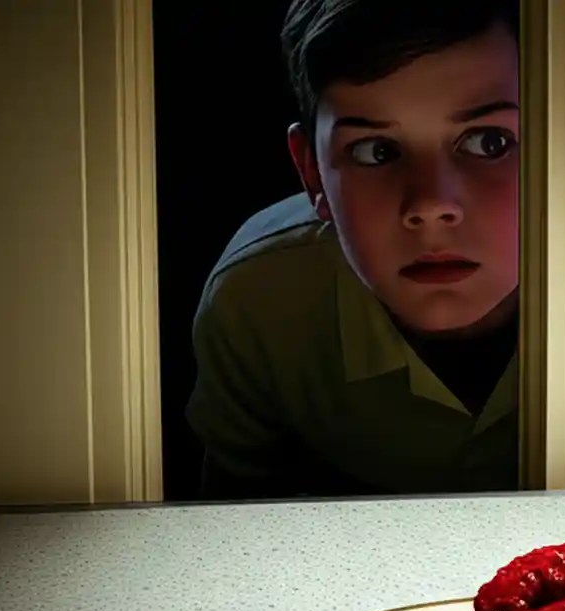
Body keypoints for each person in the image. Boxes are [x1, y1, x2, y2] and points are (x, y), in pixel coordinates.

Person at [187, 0, 521, 500]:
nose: (430, 206)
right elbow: (233, 530)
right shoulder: (258, 303)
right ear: (312, 173)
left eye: (490, 143)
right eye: (376, 151)